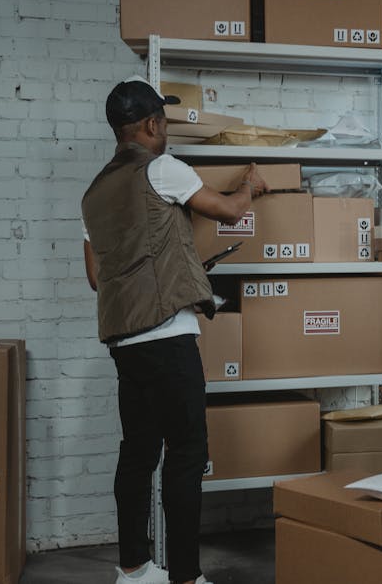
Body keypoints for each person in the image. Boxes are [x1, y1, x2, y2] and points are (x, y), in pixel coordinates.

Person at [81, 76, 268, 584]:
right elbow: (229, 209)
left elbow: (97, 275)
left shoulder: (94, 192)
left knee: (138, 454)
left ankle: (134, 571)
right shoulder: (163, 169)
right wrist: (250, 184)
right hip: (168, 336)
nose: (165, 129)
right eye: (161, 121)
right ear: (149, 125)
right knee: (187, 455)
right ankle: (186, 577)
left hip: (123, 342)